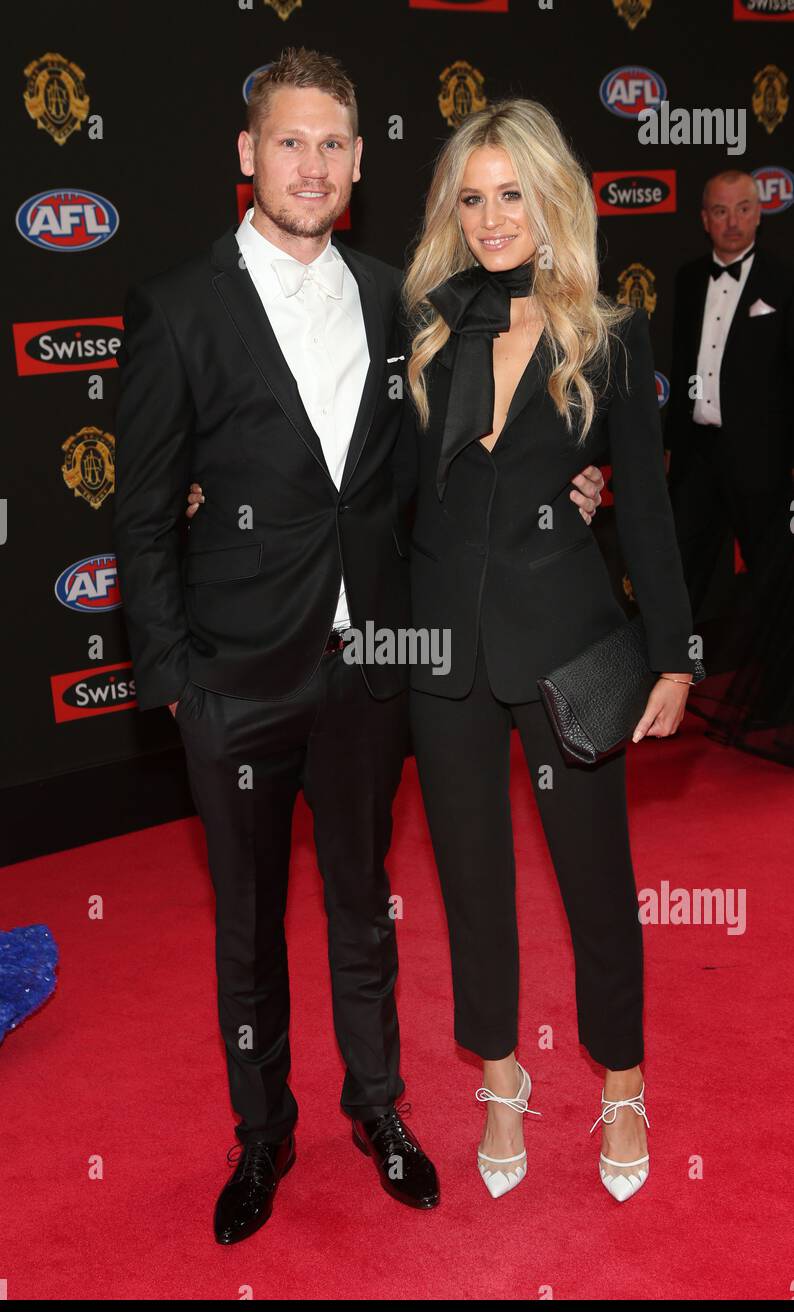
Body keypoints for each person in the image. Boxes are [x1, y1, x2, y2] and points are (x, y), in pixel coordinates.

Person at [115, 48, 606, 1243]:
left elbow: (476, 444)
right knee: (244, 927)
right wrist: (175, 680)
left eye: (334, 144)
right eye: (290, 142)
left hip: (368, 670)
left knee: (364, 906)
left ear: (358, 161)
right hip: (232, 679)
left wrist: (570, 486)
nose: (312, 165)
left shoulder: (404, 300)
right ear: (247, 154)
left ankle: (377, 1108)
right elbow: (138, 516)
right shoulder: (178, 309)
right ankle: (261, 1132)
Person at [397, 98, 701, 1204]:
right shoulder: (426, 326)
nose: (488, 219)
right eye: (469, 198)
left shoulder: (605, 336)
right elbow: (376, 483)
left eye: (509, 194)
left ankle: (620, 1083)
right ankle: (497, 1077)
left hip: (567, 647)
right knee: (470, 887)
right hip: (443, 658)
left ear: (550, 197)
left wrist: (672, 656)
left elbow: (650, 514)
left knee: (595, 886)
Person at [664, 169, 794, 623]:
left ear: (759, 214)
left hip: (761, 461)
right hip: (697, 457)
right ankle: (675, 672)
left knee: (775, 582)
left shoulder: (783, 281)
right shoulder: (687, 279)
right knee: (679, 574)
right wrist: (671, 448)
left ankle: (778, 685)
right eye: (721, 211)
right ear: (705, 219)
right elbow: (680, 366)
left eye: (743, 209)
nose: (732, 221)